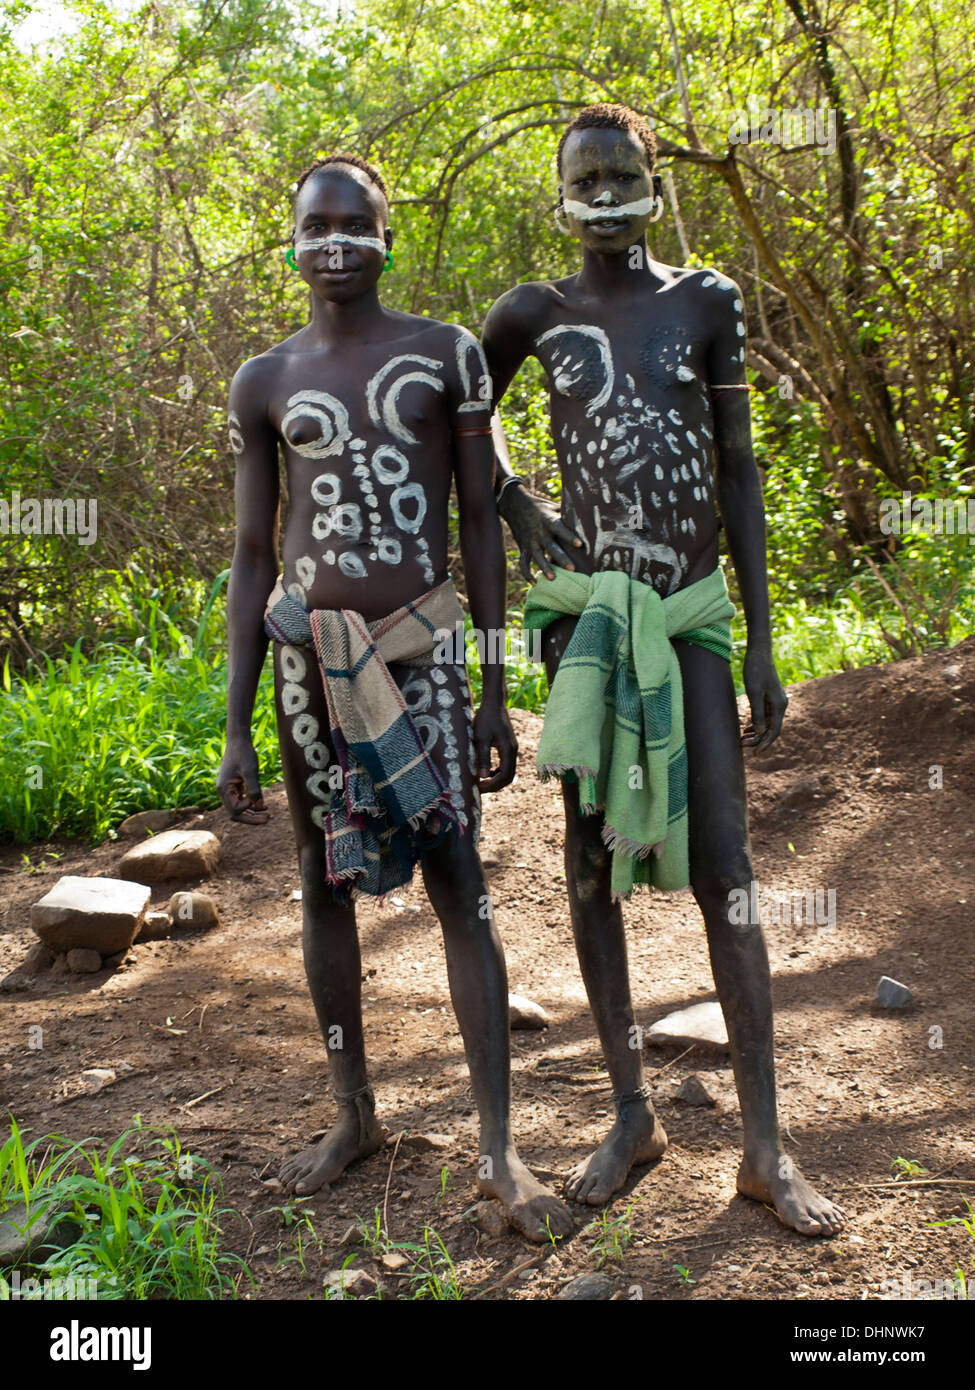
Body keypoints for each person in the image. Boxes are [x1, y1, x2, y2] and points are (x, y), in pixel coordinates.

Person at [481, 105, 844, 1236]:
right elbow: (462, 414)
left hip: (689, 613)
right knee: (589, 863)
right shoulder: (533, 314)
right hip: (585, 615)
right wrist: (515, 501)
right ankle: (633, 1110)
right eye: (581, 176)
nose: (601, 192)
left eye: (618, 173)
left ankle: (763, 1144)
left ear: (651, 177)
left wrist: (766, 638)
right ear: (560, 189)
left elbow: (738, 470)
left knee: (724, 869)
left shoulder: (707, 302)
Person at [216, 153, 572, 1242]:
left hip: (424, 652)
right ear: (290, 243)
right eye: (314, 226)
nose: (333, 244)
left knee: (462, 889)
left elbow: (476, 523)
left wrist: (496, 685)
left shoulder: (446, 355)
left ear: (386, 235)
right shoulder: (264, 379)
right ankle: (354, 1112)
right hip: (307, 665)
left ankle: (500, 1147)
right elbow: (248, 551)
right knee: (324, 889)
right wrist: (233, 721)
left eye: (353, 225)